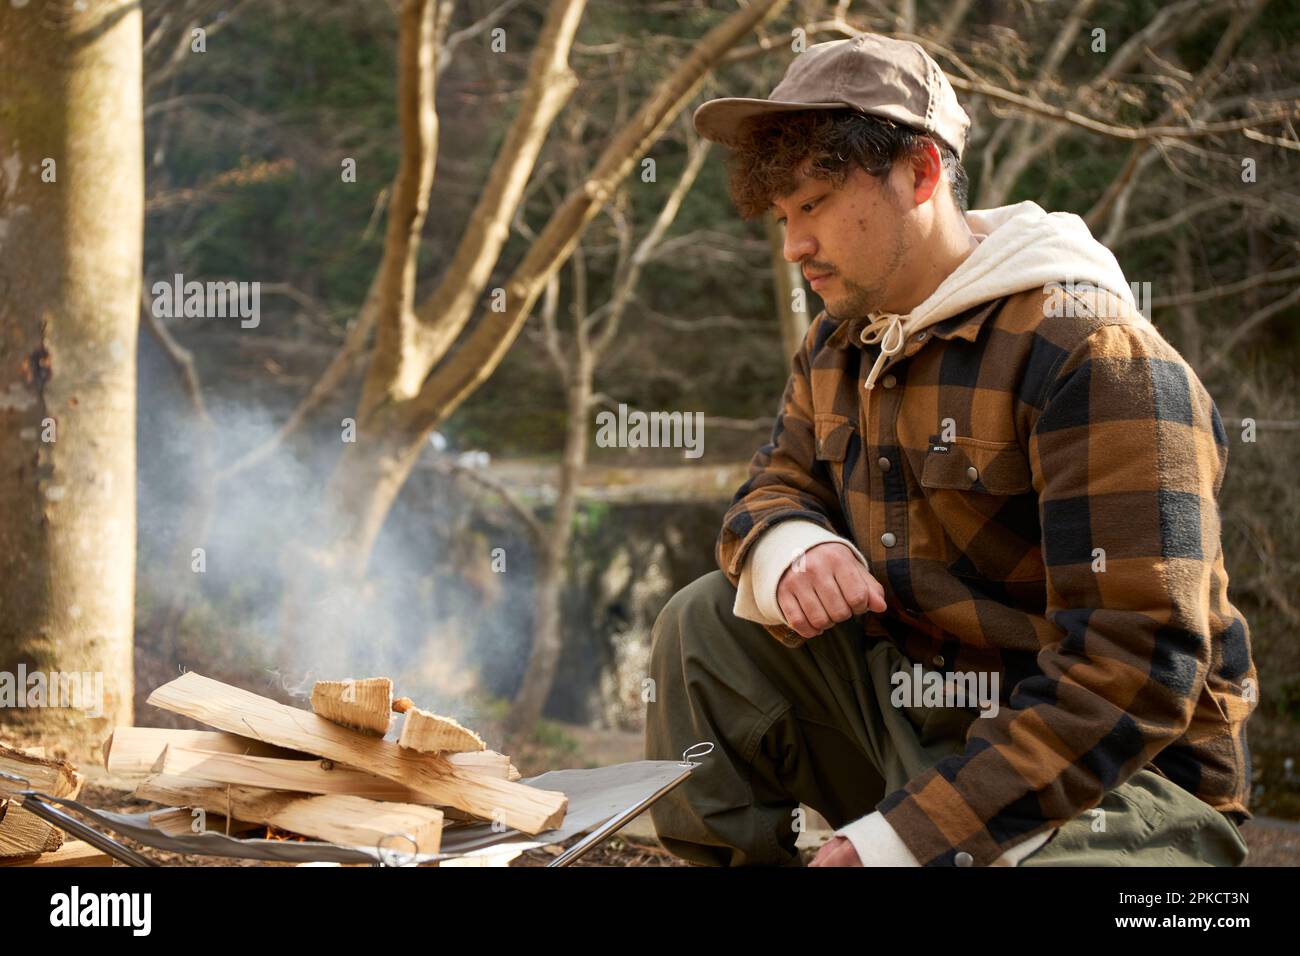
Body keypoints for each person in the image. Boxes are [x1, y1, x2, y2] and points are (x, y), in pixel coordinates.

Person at [643, 33, 1255, 867]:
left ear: (923, 174)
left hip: (1115, 780)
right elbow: (777, 481)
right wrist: (792, 548)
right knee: (705, 625)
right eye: (783, 217)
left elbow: (1137, 671)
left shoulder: (1096, 356)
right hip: (915, 721)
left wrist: (901, 840)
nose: (793, 247)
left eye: (814, 204)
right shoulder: (838, 339)